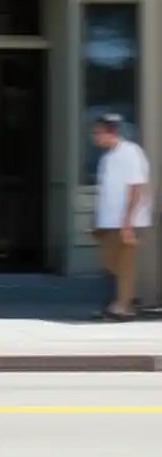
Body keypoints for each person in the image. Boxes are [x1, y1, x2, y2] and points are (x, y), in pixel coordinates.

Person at [90, 113, 153, 321]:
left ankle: (122, 307)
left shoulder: (130, 152)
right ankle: (120, 302)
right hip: (109, 222)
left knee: (124, 266)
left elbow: (136, 187)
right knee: (110, 264)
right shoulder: (107, 157)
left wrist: (128, 222)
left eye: (99, 132)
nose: (95, 137)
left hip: (125, 222)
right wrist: (98, 220)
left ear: (113, 132)